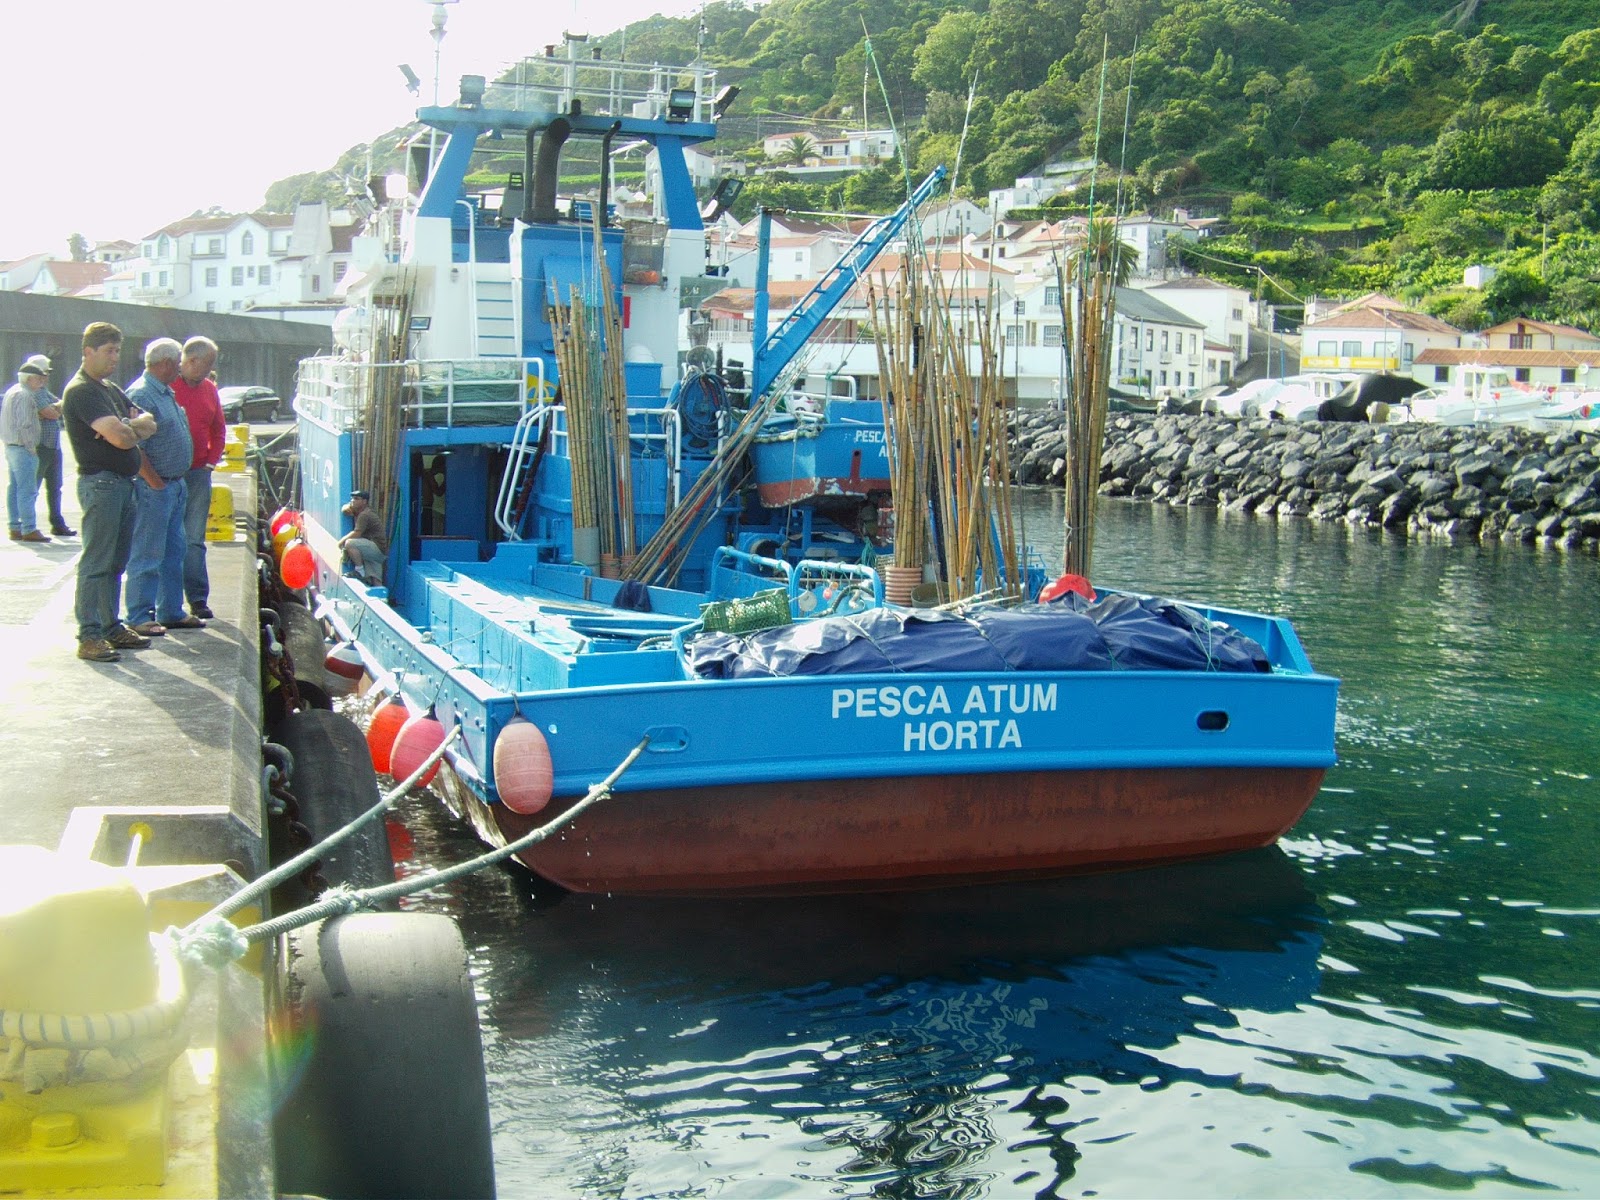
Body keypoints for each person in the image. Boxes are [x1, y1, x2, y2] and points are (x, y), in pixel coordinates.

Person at [60, 322, 161, 663]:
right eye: (108, 351)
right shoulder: (82, 391)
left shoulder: (109, 389)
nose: (115, 357)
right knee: (97, 562)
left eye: (117, 350)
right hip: (101, 485)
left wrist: (127, 427)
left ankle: (109, 625)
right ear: (88, 351)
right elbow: (121, 437)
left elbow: (148, 421)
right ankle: (89, 634)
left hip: (121, 484)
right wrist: (127, 428)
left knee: (117, 562)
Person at [124, 338, 200, 638]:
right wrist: (154, 482)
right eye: (178, 361)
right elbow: (134, 445)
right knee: (148, 552)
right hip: (155, 487)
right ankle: (140, 615)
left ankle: (170, 610)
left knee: (174, 550)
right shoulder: (142, 394)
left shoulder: (165, 392)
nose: (181, 367)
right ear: (167, 363)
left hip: (174, 484)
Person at [172, 336, 226, 619]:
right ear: (191, 360)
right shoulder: (168, 387)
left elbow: (219, 428)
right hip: (168, 475)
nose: (210, 370)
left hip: (197, 473)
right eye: (208, 364)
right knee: (168, 538)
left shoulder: (209, 389)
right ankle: (166, 603)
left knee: (194, 539)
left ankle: (197, 598)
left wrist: (211, 462)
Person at [3, 356, 51, 542]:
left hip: (10, 446)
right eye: (38, 379)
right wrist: (31, 448)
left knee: (14, 488)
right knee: (27, 490)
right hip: (23, 448)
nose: (41, 382)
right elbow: (25, 425)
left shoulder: (12, 391)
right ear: (29, 378)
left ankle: (14, 526)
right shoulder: (25, 395)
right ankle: (29, 528)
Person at [25, 354, 74, 536]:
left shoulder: (43, 391)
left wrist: (55, 408)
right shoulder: (34, 393)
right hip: (40, 446)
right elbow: (52, 413)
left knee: (55, 487)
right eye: (43, 373)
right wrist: (54, 408)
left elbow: (61, 405)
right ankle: (28, 524)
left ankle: (57, 522)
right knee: (33, 488)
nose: (46, 377)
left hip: (52, 446)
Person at [338, 490, 388, 584]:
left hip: (375, 548)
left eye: (356, 499)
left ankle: (359, 571)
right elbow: (346, 509)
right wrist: (347, 508)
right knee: (376, 580)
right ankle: (380, 597)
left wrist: (341, 542)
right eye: (352, 498)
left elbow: (357, 533)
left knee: (349, 543)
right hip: (379, 551)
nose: (353, 500)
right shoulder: (364, 510)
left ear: (364, 501)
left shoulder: (364, 514)